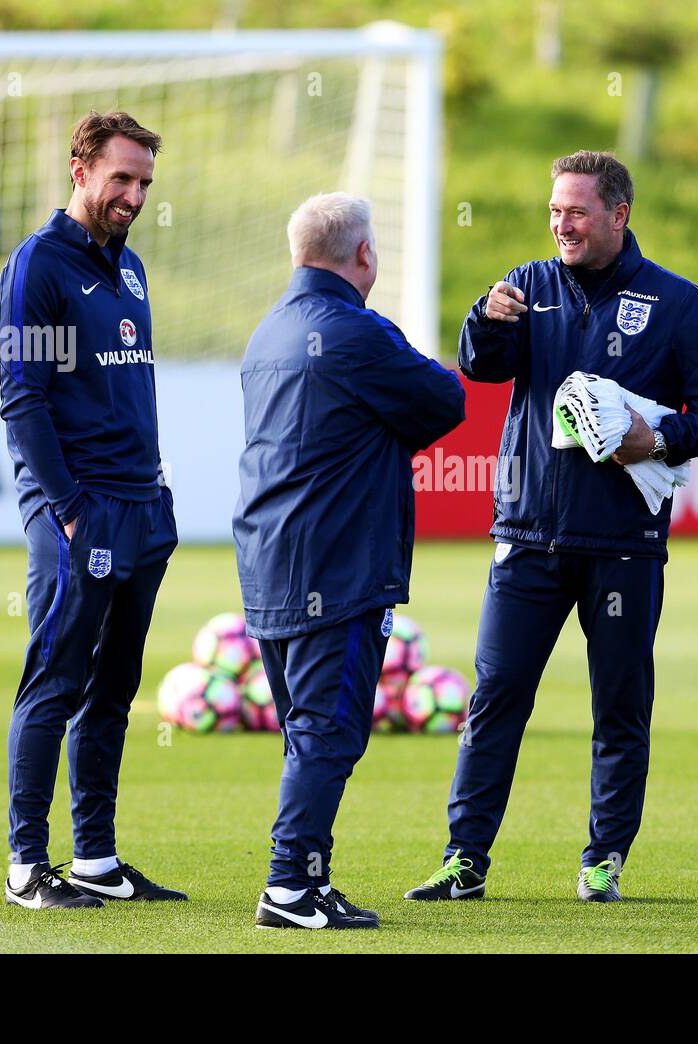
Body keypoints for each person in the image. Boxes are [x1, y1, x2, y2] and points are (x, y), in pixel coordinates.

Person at [404, 150, 698, 903]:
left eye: (578, 211)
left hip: (623, 544)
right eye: (555, 210)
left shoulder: (680, 305)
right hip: (527, 537)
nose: (562, 223)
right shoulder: (526, 286)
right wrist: (483, 320)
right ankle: (465, 859)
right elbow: (479, 367)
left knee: (619, 704)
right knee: (495, 698)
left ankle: (604, 859)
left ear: (619, 214)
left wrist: (656, 441)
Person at [234, 192, 466, 929]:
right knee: (326, 733)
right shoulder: (357, 333)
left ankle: (310, 877)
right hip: (332, 569)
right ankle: (290, 887)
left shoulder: (269, 329)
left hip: (269, 560)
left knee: (308, 729)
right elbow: (445, 400)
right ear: (363, 255)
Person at [0, 111, 184, 909]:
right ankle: (27, 867)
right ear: (80, 170)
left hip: (142, 505)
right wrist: (67, 509)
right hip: (81, 511)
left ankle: (97, 859)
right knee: (56, 682)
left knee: (114, 688)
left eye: (144, 181)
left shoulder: (128, 266)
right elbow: (22, 400)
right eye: (121, 178)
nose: (134, 194)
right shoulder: (37, 267)